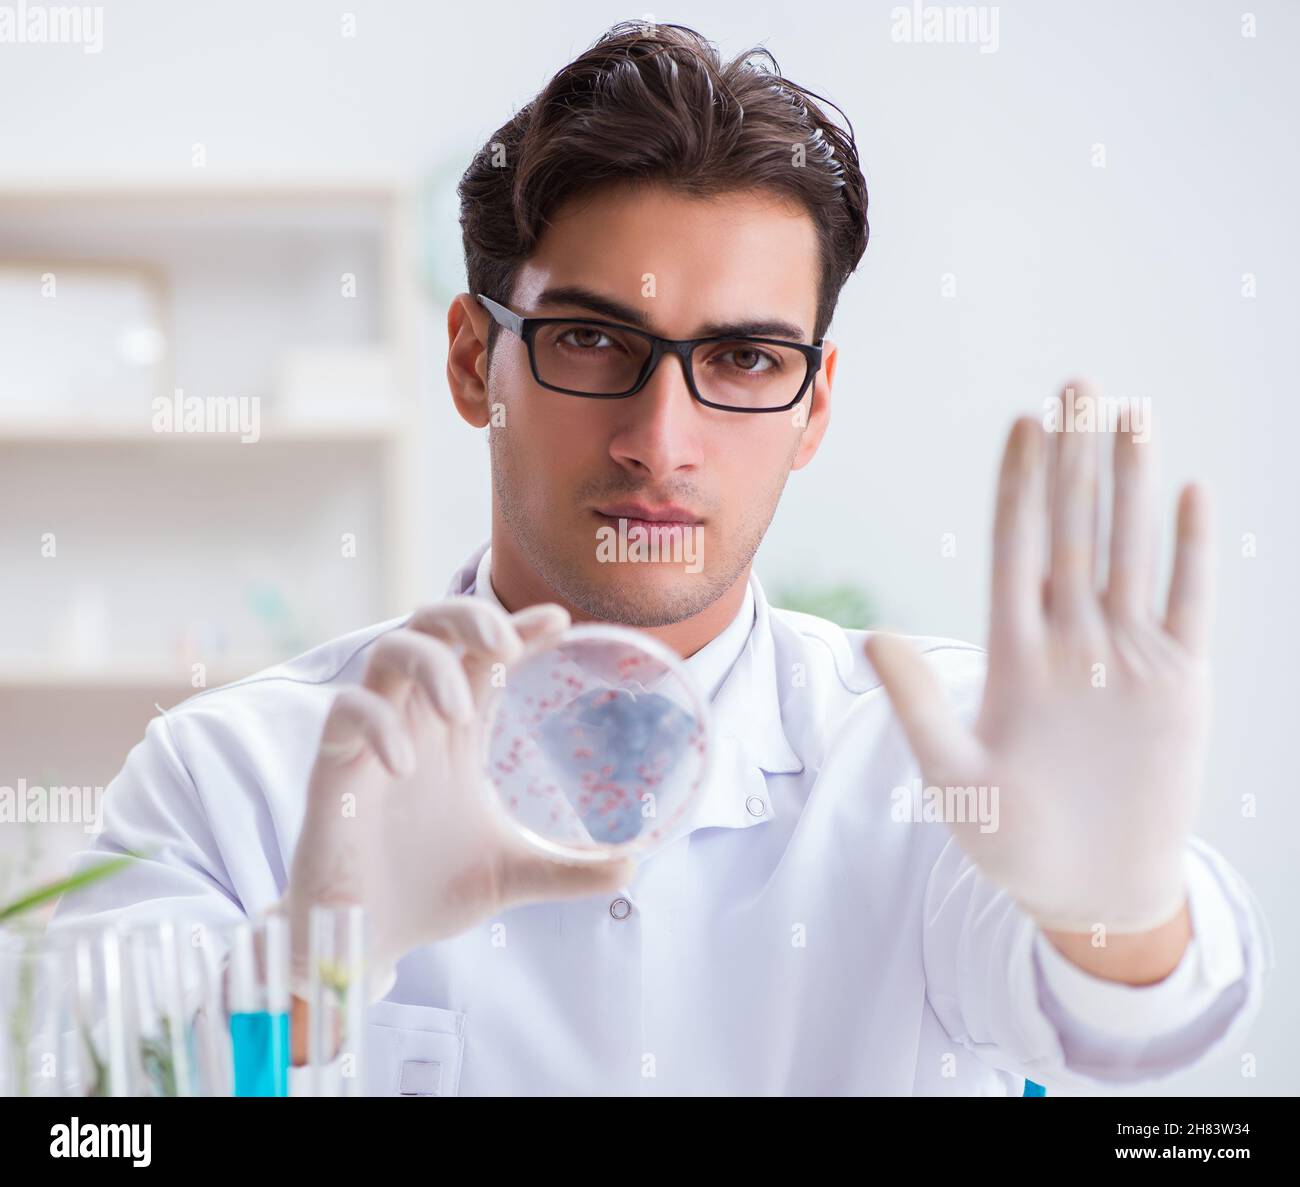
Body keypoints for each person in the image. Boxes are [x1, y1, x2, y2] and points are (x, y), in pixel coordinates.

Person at [52, 20, 1271, 1096]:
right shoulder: (239, 774)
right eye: (591, 338)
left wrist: (1114, 909)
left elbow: (1135, 1038)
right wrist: (318, 964)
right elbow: (90, 1118)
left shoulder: (940, 760)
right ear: (477, 360)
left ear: (813, 405)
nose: (658, 442)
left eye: (743, 359)